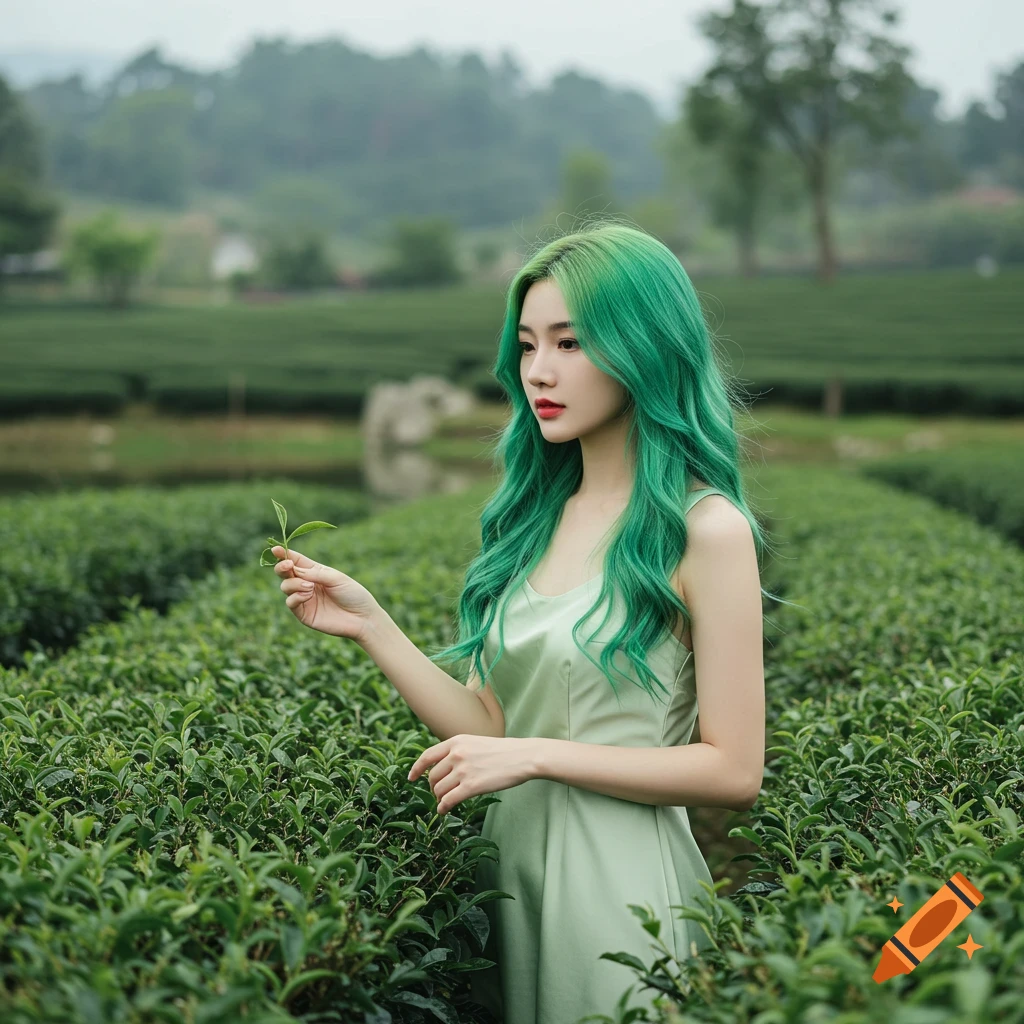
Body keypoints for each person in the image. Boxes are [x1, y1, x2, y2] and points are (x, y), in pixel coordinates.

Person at [271, 220, 775, 1024]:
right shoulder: (533, 519)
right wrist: (373, 626)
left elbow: (732, 771)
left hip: (617, 895)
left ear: (644, 347)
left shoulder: (703, 530)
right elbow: (488, 725)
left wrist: (537, 757)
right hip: (501, 878)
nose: (539, 371)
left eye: (571, 343)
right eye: (529, 344)